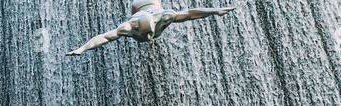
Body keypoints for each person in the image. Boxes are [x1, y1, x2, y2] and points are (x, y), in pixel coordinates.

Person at [68, 1, 235, 55]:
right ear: (135, 27)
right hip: (139, 5)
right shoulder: (127, 27)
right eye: (144, 33)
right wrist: (81, 49)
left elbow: (190, 13)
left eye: (150, 34)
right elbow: (104, 37)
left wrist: (215, 11)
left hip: (152, 5)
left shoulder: (165, 17)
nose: (148, 38)